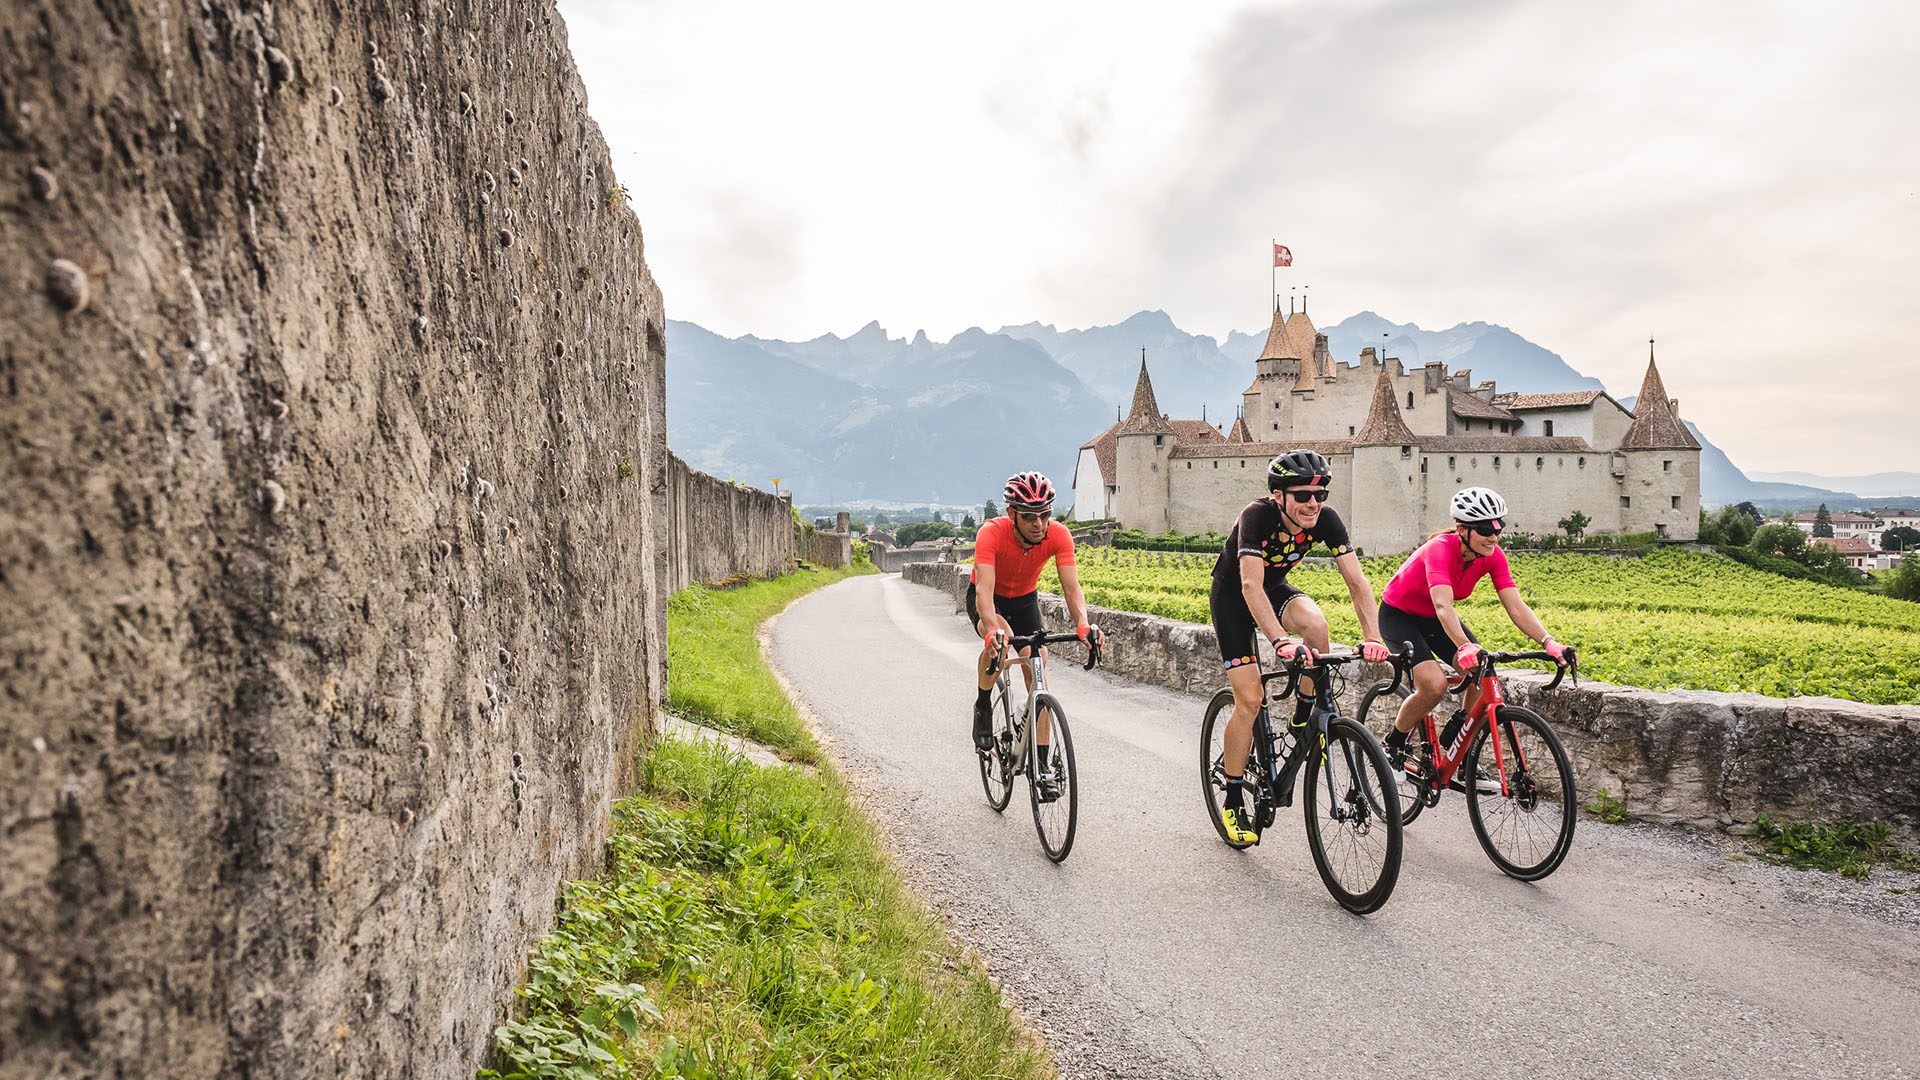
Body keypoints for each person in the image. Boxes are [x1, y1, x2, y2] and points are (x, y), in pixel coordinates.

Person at [1209, 449, 1390, 845]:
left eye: (1320, 494)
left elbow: (1357, 583)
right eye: (1303, 495)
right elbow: (1249, 587)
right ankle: (1234, 798)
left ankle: (1304, 715)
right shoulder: (1256, 517)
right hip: (1233, 600)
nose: (1313, 503)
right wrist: (1279, 641)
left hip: (1274, 591)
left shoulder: (1325, 520)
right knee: (1250, 699)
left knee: (1317, 626)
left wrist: (1373, 637)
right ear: (1279, 496)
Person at [1376, 486, 1568, 778]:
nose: (1494, 535)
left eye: (1498, 527)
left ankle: (1459, 740)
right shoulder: (1439, 549)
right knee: (1434, 685)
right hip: (1400, 616)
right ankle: (1395, 742)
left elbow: (1515, 606)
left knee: (1482, 670)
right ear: (1462, 529)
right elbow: (1443, 605)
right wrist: (1464, 646)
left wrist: (1548, 641)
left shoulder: (1492, 555)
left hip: (1435, 619)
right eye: (1484, 529)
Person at [968, 472, 1104, 799]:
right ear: (1011, 514)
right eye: (1029, 516)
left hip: (1026, 600)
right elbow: (984, 594)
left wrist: (1083, 624)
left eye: (1045, 514)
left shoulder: (1059, 535)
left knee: (1038, 668)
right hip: (991, 600)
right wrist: (990, 633)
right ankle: (983, 705)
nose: (1039, 523)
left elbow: (1072, 589)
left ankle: (1042, 767)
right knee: (1003, 639)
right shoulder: (991, 533)